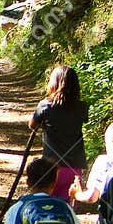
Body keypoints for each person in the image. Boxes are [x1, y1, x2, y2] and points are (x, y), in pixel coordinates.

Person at [30, 65, 90, 202]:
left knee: (47, 205)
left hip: (50, 167)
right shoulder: (82, 107)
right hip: (74, 166)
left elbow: (32, 125)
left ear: (53, 83)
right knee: (66, 208)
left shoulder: (45, 105)